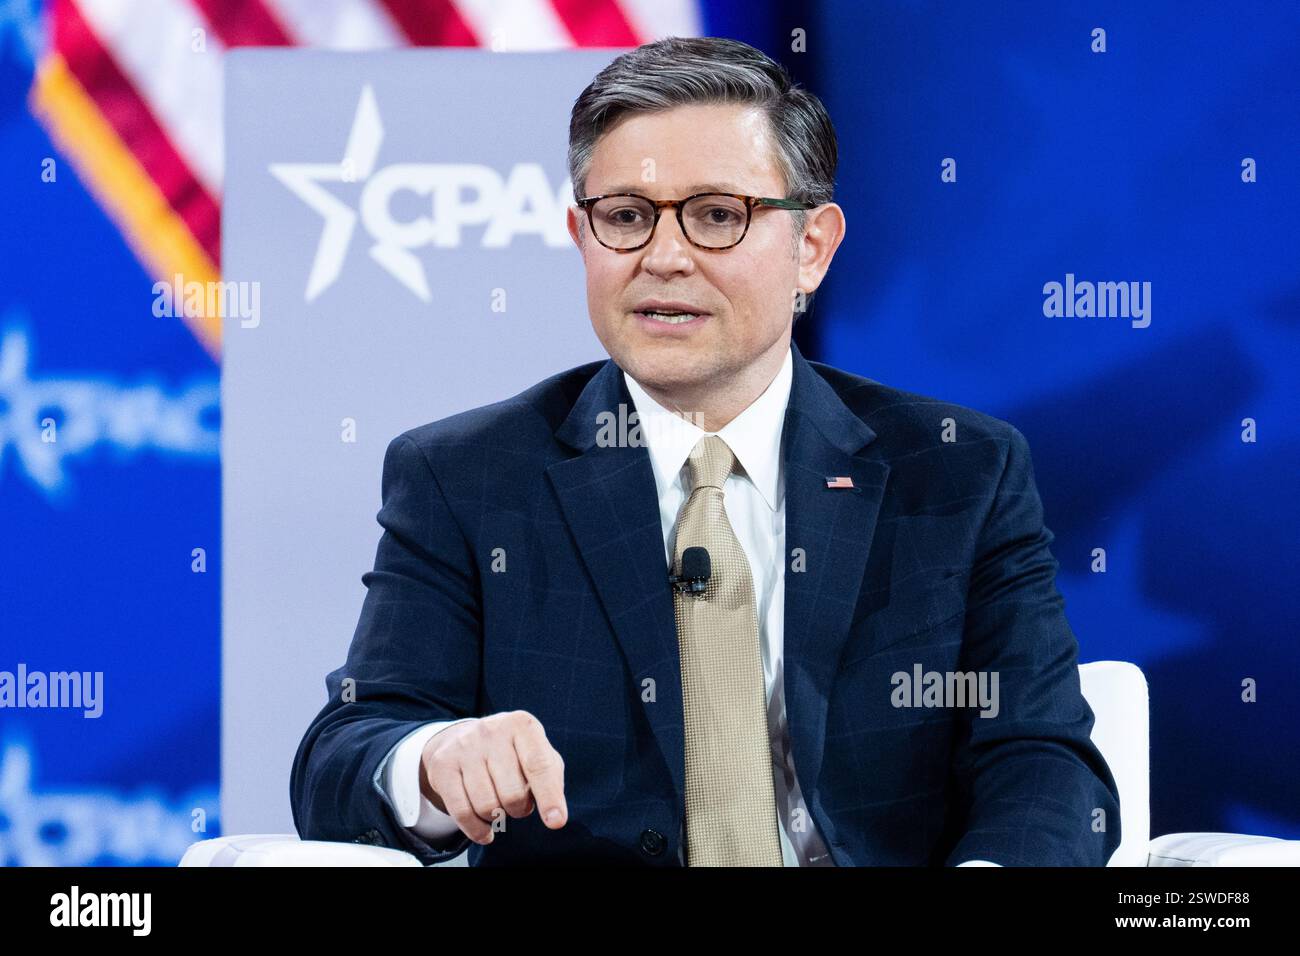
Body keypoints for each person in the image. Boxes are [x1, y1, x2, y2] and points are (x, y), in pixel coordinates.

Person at [290, 36, 1121, 867]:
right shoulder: (469, 476)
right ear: (582, 236)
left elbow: (1041, 760)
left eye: (718, 215)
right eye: (625, 216)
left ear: (813, 247)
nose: (664, 256)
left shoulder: (958, 472)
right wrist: (433, 763)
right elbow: (344, 753)